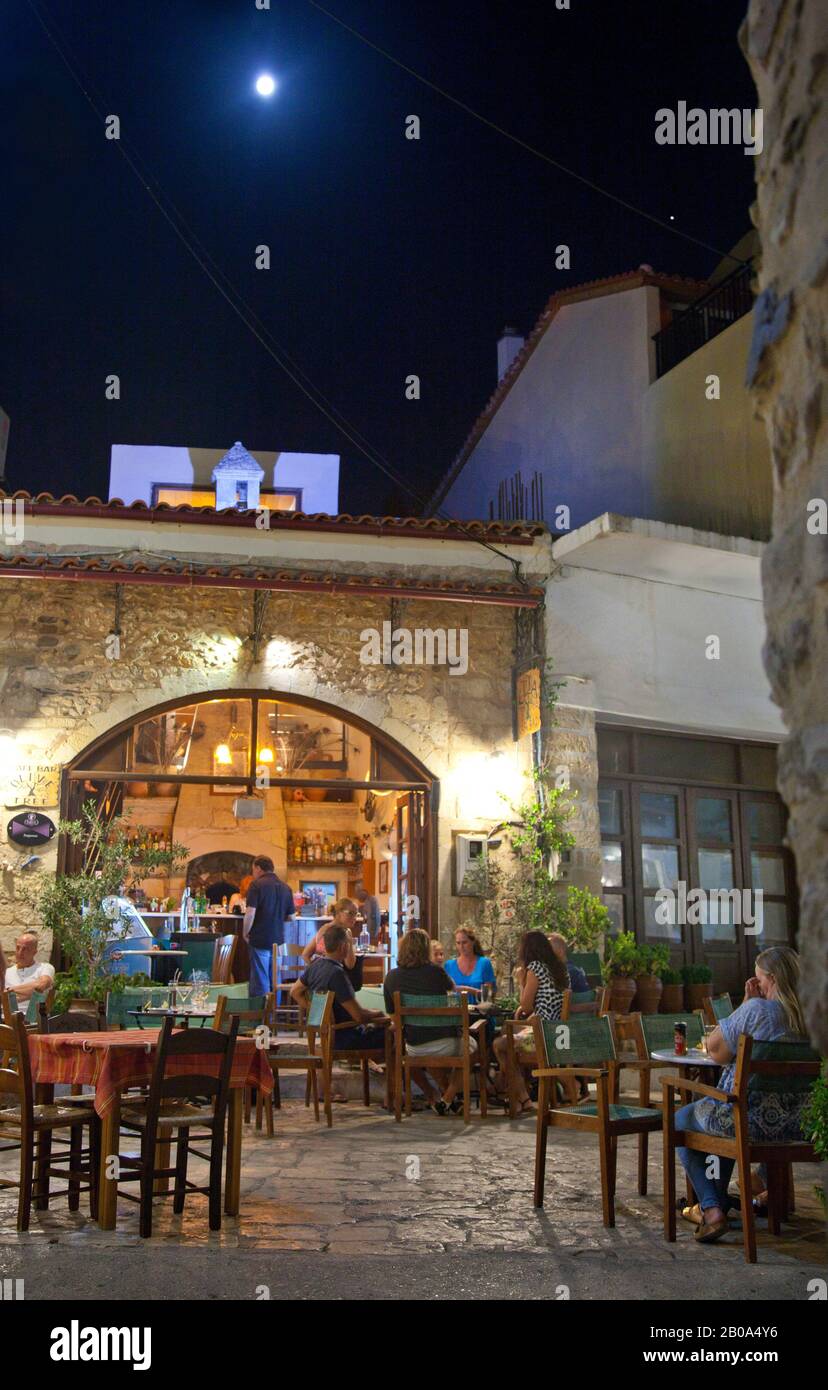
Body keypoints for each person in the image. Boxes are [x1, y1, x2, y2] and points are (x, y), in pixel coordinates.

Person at [675, 945, 810, 1244]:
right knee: (721, 1118)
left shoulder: (757, 1010)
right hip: (798, 1125)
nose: (757, 983)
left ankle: (712, 1210)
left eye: (759, 978)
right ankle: (742, 1194)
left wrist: (746, 1002)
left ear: (772, 979)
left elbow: (716, 1050)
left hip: (748, 1122)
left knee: (683, 1118)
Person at [384, 928, 472, 1114]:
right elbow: (453, 994)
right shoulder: (436, 973)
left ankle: (434, 1096)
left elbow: (395, 1019)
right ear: (426, 950)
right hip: (446, 1042)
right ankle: (448, 1097)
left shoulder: (391, 977)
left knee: (404, 1053)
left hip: (414, 1045)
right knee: (474, 1048)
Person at [290, 923, 386, 1091]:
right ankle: (392, 1095)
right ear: (343, 947)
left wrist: (316, 1014)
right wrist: (379, 1014)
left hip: (327, 1034)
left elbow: (295, 991)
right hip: (345, 1038)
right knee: (392, 1035)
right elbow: (359, 1016)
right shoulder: (337, 974)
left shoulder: (315, 967)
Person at [491, 930, 568, 1114]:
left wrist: (521, 980)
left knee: (499, 1045)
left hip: (542, 1035)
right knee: (507, 1033)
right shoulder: (559, 968)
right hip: (558, 1033)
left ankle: (519, 1096)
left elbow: (525, 1005)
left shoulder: (536, 967)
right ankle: (519, 1096)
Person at [243, 855, 295, 997]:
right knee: (275, 980)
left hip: (260, 938)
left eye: (253, 869)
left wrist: (245, 932)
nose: (253, 873)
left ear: (258, 868)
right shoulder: (286, 888)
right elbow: (291, 917)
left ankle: (261, 1016)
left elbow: (250, 913)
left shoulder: (256, 885)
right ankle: (273, 1014)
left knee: (261, 979)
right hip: (278, 941)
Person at [4, 932, 56, 1008]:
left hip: (34, 1018)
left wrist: (7, 992)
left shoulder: (45, 967)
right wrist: (30, 991)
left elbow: (41, 986)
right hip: (5, 1017)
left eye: (25, 949)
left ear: (34, 952)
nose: (20, 952)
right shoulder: (6, 973)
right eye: (18, 948)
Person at [444, 926, 496, 999]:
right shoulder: (449, 965)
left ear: (472, 942)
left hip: (478, 1008)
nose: (461, 946)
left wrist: (466, 990)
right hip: (455, 1009)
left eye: (464, 942)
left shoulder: (484, 963)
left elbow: (489, 995)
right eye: (458, 943)